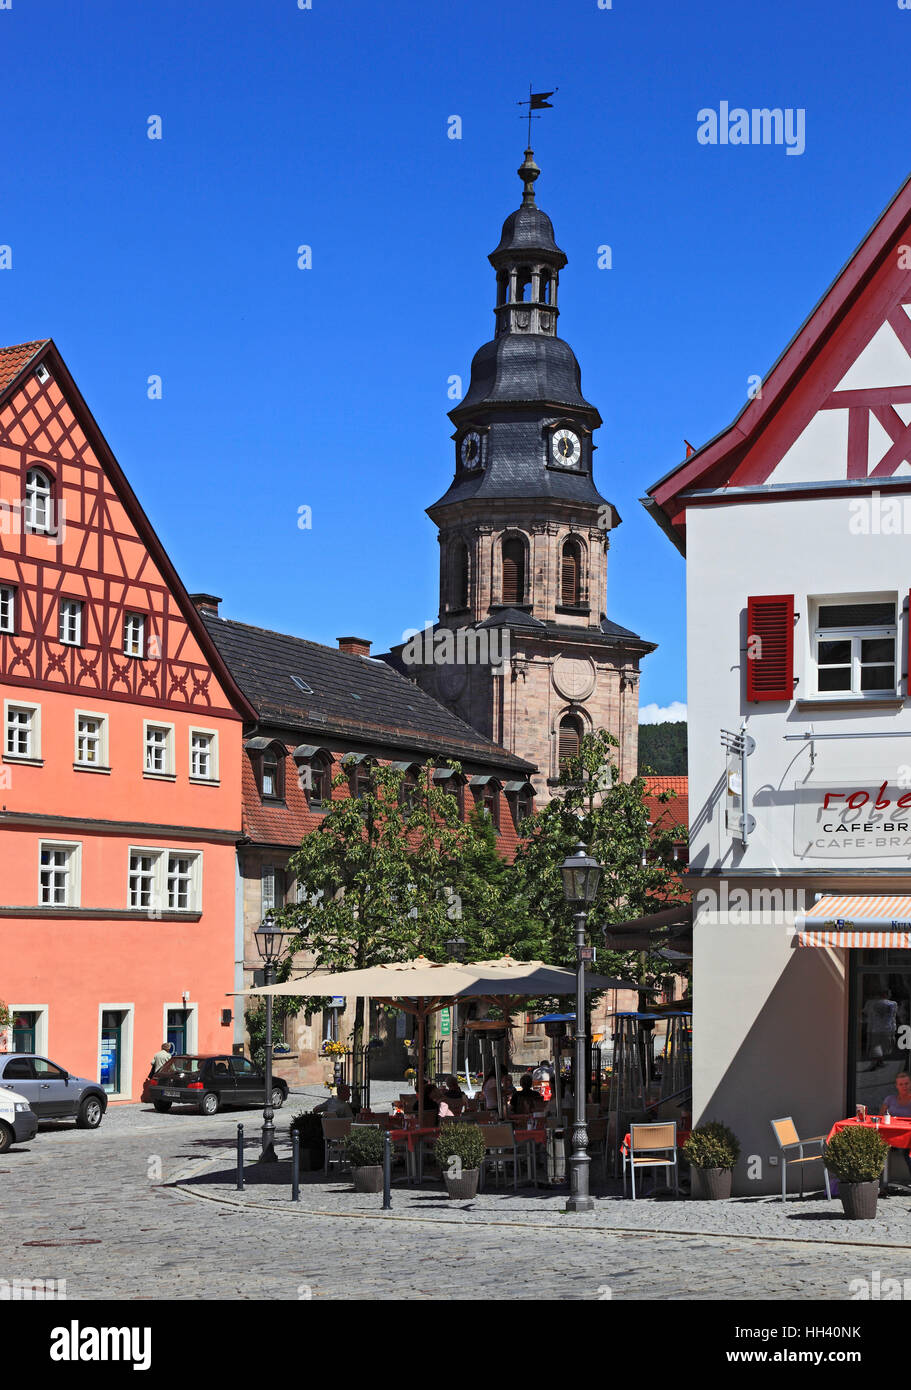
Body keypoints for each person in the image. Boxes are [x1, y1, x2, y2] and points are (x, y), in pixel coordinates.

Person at [864, 989, 898, 1069]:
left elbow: (865, 1013)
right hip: (887, 1029)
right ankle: (875, 1063)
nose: (891, 995)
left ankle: (877, 1062)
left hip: (874, 1029)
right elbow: (893, 1018)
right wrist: (894, 1030)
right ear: (886, 994)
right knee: (884, 1047)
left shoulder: (870, 1003)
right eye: (890, 993)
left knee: (876, 1046)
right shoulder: (893, 1004)